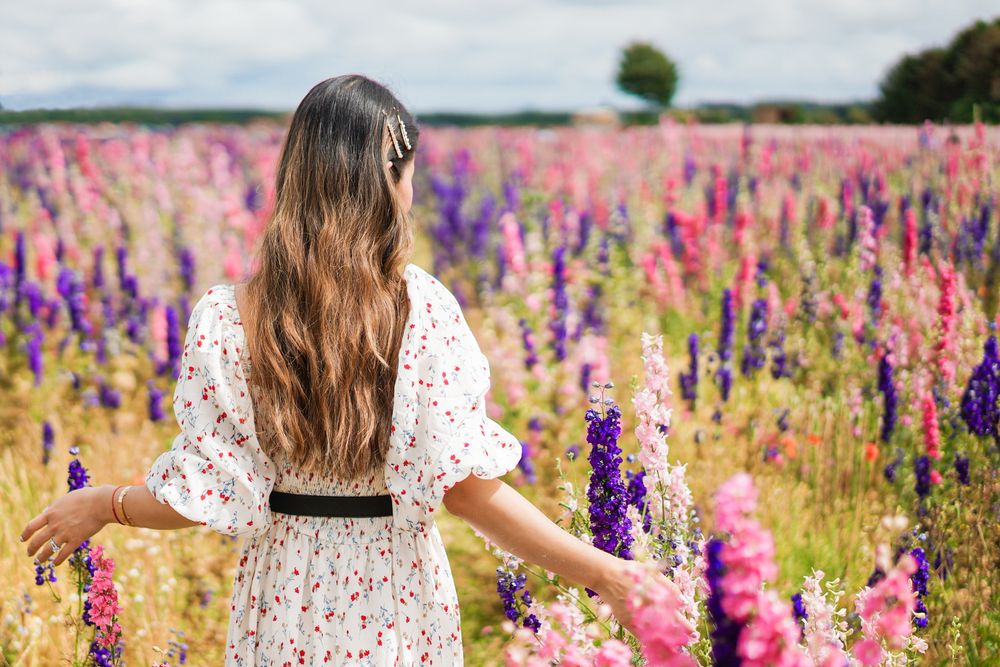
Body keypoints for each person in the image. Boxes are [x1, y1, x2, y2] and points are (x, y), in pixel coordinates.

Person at [19, 74, 637, 665]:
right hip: (395, 595)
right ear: (389, 179)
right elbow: (468, 491)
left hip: (281, 598)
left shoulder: (230, 317)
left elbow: (205, 495)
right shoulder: (421, 309)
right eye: (408, 175)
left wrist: (106, 503)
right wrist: (606, 573)